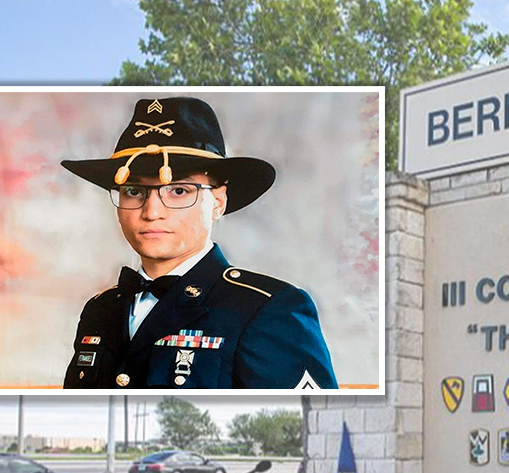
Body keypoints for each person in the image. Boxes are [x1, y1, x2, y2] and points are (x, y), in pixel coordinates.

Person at [60, 96, 338, 389]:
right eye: (133, 190)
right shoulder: (101, 310)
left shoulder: (267, 309)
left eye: (179, 191)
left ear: (218, 202)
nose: (151, 212)